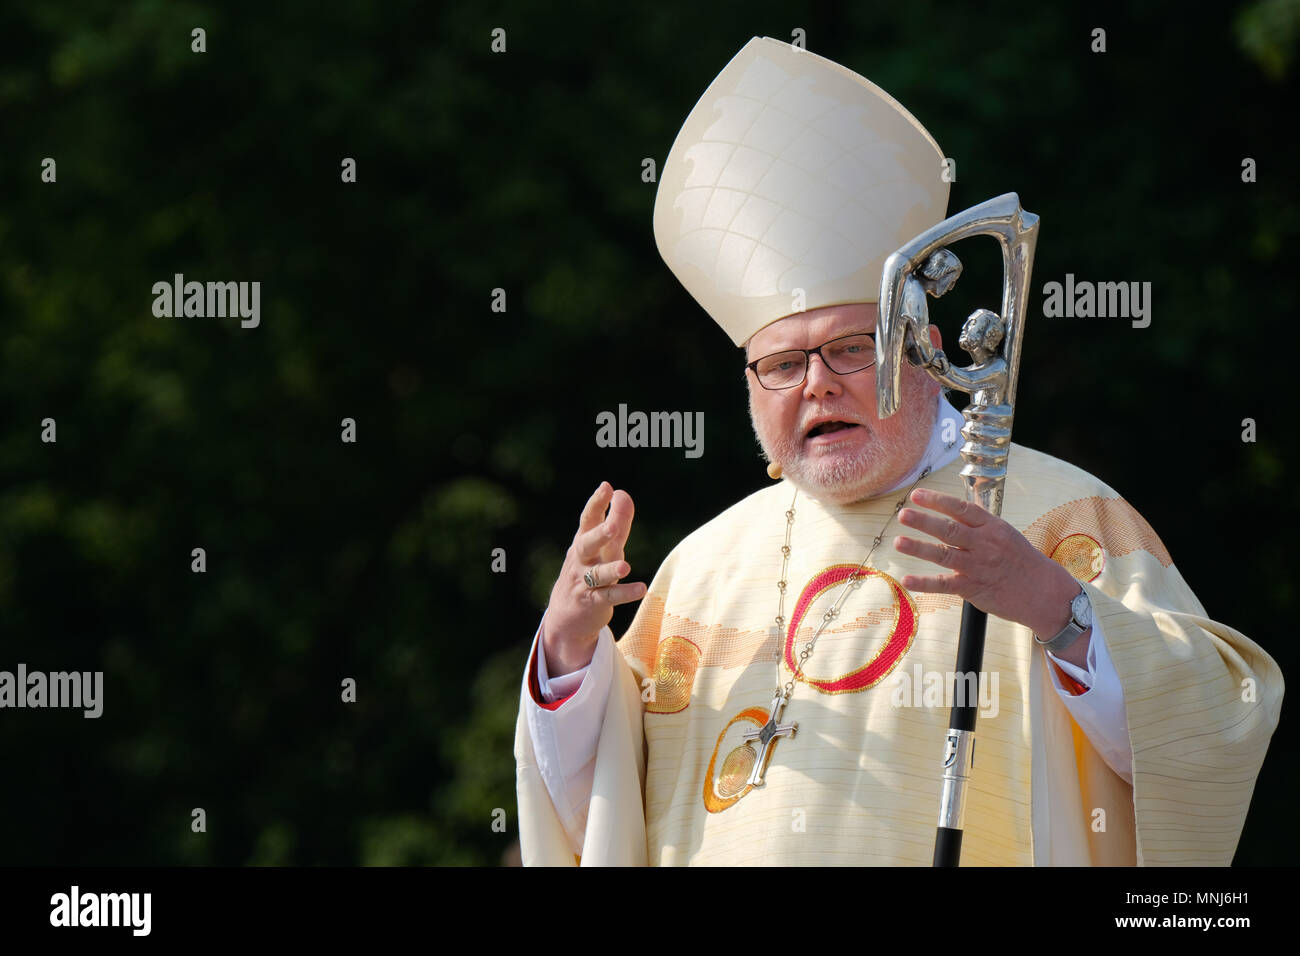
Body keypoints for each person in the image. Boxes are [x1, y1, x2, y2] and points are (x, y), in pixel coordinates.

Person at [513, 36, 1283, 866]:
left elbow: (1215, 726)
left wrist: (1058, 611)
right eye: (781, 363)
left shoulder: (1050, 513)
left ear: (925, 346)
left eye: (850, 348)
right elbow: (602, 811)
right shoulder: (704, 566)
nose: (815, 385)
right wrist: (565, 654)